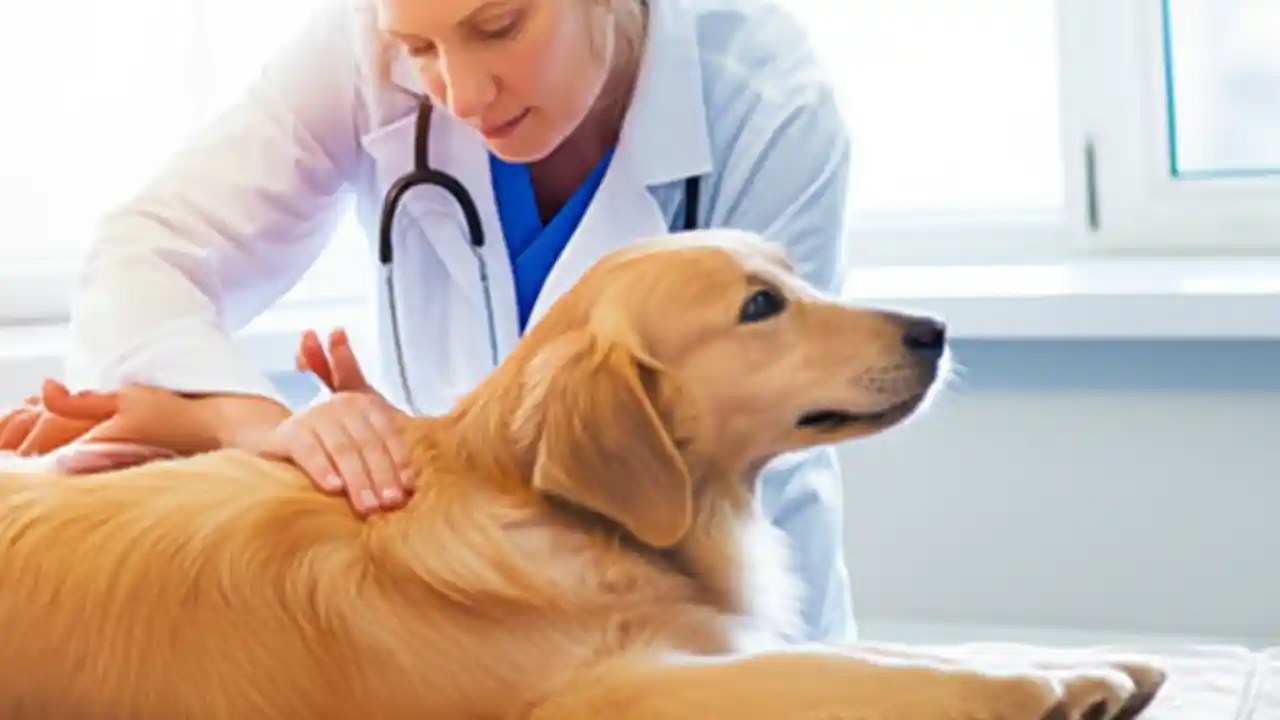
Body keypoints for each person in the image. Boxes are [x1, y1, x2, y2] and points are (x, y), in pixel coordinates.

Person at [0, 0, 856, 643]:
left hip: (720, 631)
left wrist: (428, 466)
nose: (460, 91)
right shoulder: (365, 43)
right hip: (457, 619)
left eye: (499, 25)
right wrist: (258, 428)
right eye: (417, 48)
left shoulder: (765, 107)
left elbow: (726, 488)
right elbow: (145, 253)